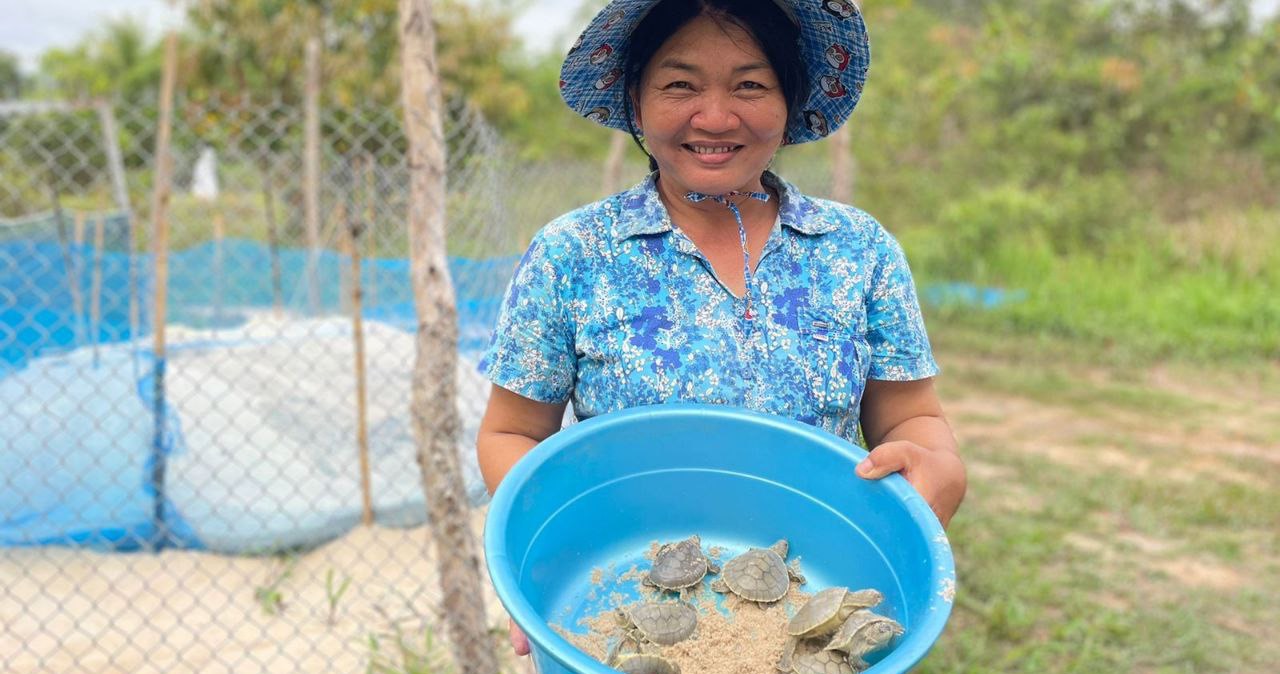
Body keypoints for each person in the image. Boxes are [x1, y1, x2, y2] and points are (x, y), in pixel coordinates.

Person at [476, 0, 967, 656]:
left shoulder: (858, 250)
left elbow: (913, 421)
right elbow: (512, 432)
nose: (715, 117)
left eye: (750, 85)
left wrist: (937, 470)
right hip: (627, 606)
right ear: (635, 100)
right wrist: (540, 559)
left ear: (789, 100)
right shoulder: (575, 253)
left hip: (808, 613)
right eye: (680, 84)